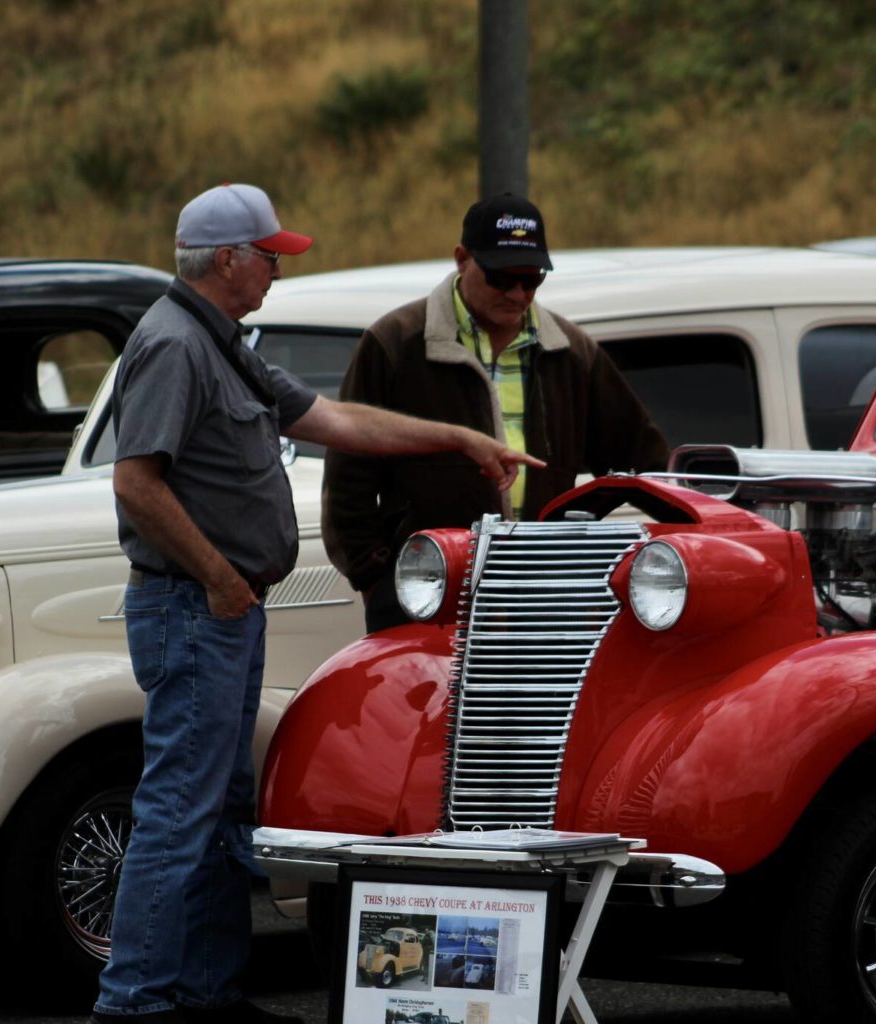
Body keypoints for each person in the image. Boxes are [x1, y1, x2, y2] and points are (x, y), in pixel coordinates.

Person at [91, 183, 540, 1024]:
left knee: (217, 809)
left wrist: (461, 438)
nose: (274, 271)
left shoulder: (216, 340)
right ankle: (137, 1004)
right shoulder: (176, 344)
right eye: (268, 257)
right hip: (199, 610)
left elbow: (332, 420)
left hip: (214, 612)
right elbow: (135, 484)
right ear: (227, 260)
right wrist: (222, 579)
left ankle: (204, 993)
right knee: (178, 814)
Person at [322, 193, 669, 632]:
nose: (518, 293)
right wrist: (379, 579)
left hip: (546, 597)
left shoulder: (571, 351)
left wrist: (573, 539)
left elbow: (642, 461)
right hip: (429, 592)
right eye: (503, 278)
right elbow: (348, 472)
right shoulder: (394, 343)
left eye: (532, 279)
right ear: (462, 259)